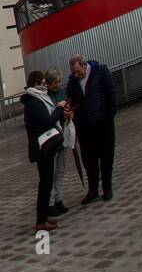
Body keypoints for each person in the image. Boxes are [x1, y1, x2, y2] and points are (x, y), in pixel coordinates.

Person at [67, 53, 118, 203]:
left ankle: (107, 187)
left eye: (78, 71)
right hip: (85, 127)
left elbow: (111, 93)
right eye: (73, 73)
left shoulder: (100, 71)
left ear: (84, 65)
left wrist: (110, 114)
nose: (76, 75)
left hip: (103, 122)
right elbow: (72, 102)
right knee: (89, 160)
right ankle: (93, 189)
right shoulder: (72, 83)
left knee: (106, 155)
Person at [22, 70, 68, 232]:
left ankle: (43, 218)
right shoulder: (34, 102)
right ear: (35, 84)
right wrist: (59, 110)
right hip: (43, 148)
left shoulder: (37, 99)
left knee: (46, 183)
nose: (44, 86)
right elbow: (46, 121)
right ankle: (40, 222)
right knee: (45, 184)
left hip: (45, 146)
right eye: (42, 83)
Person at [45, 68, 74, 216]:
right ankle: (49, 203)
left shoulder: (63, 92)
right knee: (52, 171)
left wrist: (69, 112)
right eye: (55, 82)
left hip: (63, 133)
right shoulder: (46, 97)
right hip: (52, 137)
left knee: (60, 170)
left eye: (59, 82)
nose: (58, 85)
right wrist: (59, 109)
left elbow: (70, 108)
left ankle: (59, 199)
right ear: (48, 83)